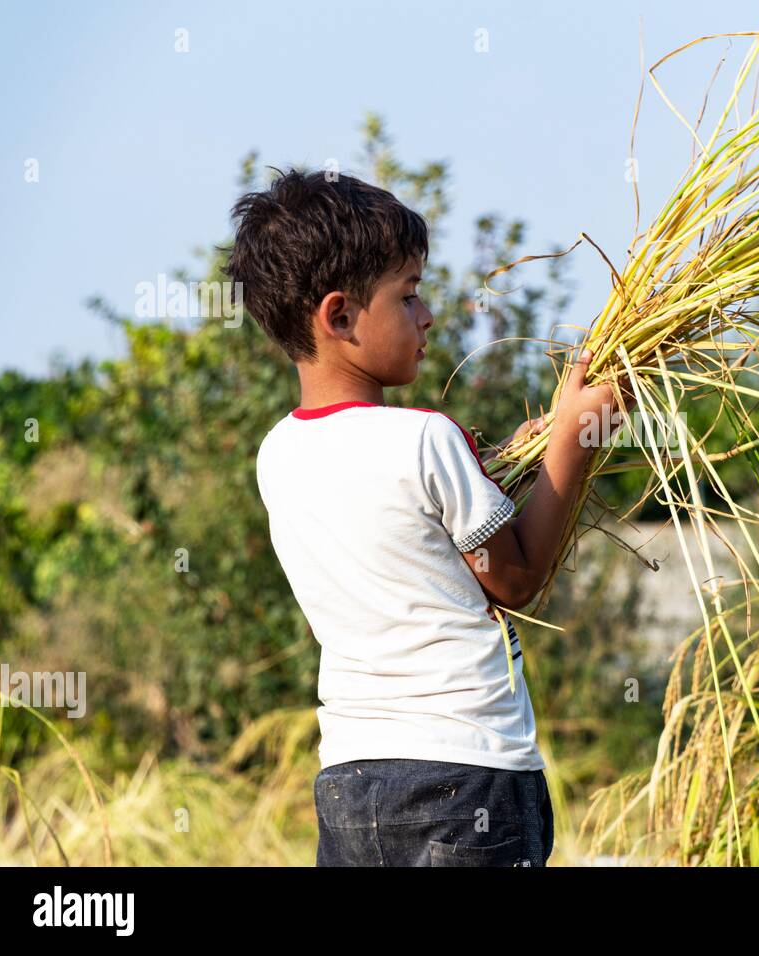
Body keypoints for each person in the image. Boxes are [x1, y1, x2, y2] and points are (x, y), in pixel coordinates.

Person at [224, 168, 625, 866]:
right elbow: (517, 577)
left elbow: (413, 538)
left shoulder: (276, 454)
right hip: (466, 774)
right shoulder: (425, 439)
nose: (427, 316)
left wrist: (511, 463)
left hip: (351, 780)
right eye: (407, 296)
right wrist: (575, 440)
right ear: (340, 316)